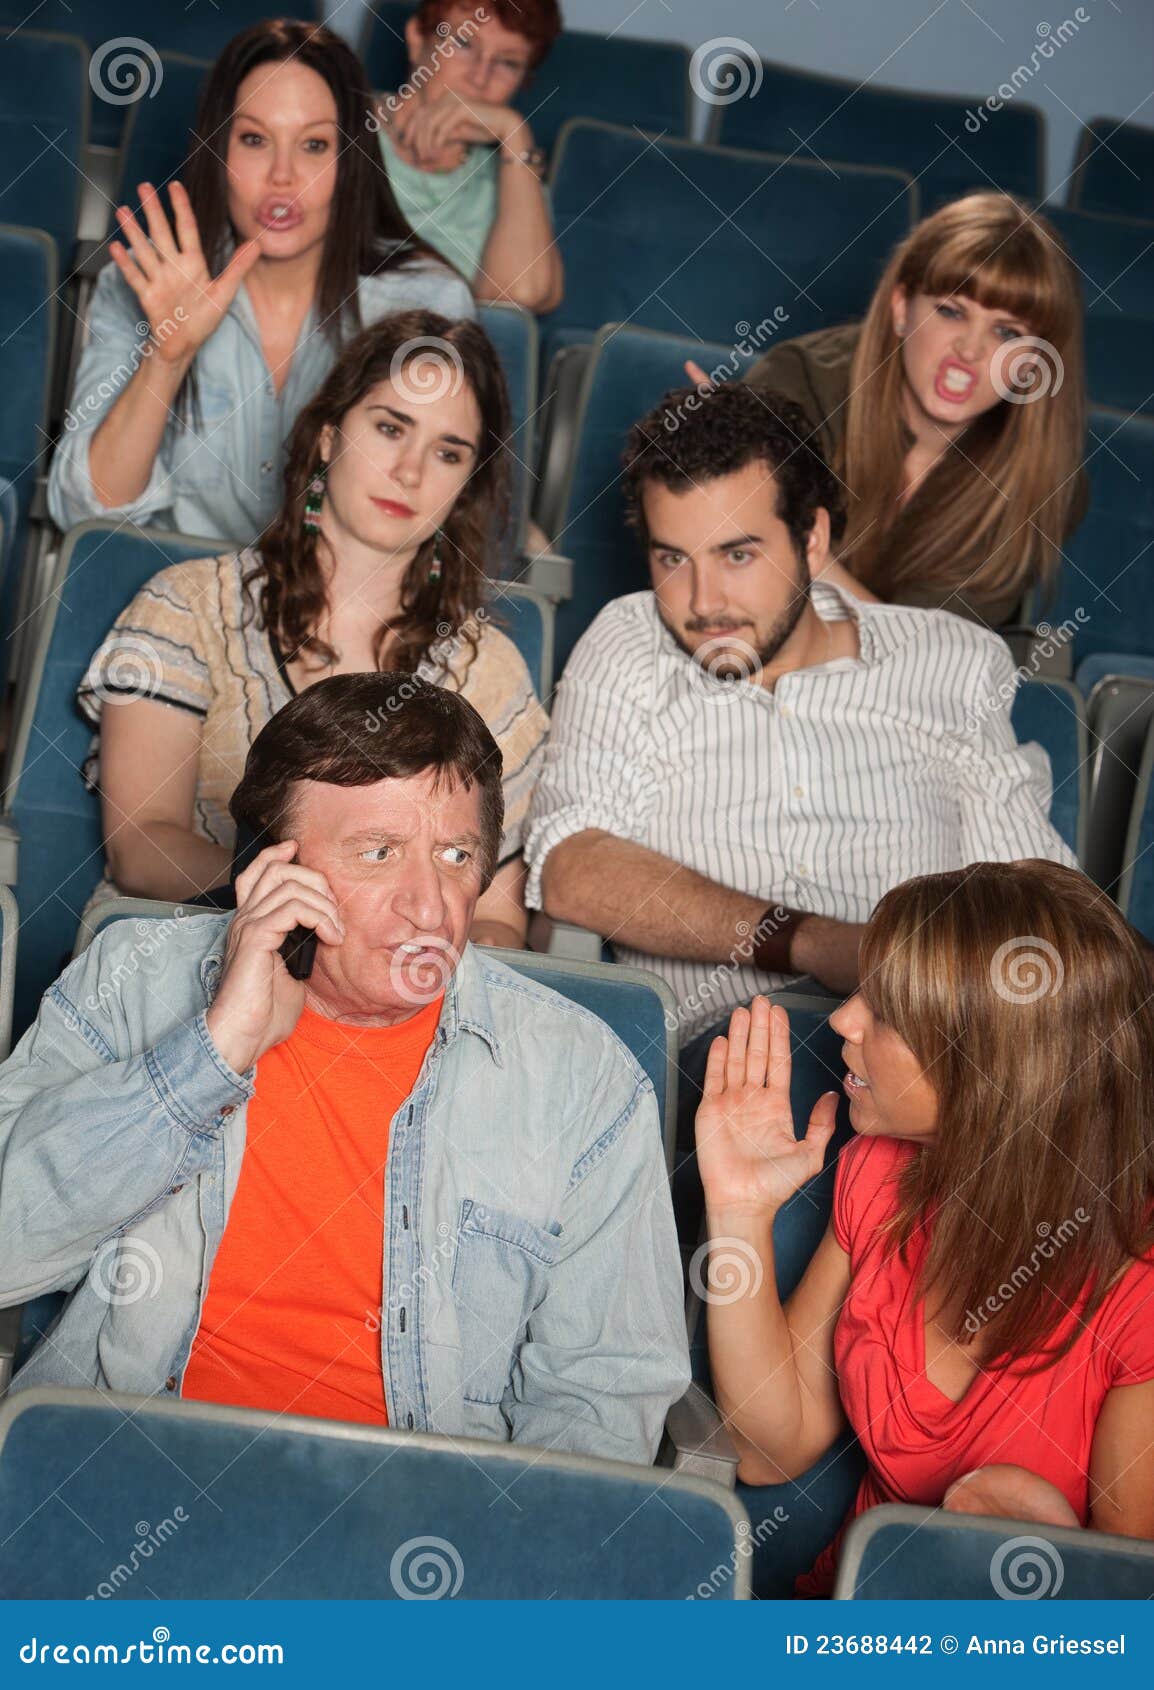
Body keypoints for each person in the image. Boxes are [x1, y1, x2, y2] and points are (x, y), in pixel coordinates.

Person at [0, 674, 689, 1460]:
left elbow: (603, 1396)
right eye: (378, 853)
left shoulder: (583, 1077)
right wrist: (211, 1054)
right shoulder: (133, 979)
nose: (428, 905)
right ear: (272, 865)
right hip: (126, 1465)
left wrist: (487, 1532)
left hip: (423, 1510)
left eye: (456, 855)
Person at [523, 383, 1079, 1243]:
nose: (702, 602)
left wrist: (933, 986)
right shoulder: (631, 643)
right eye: (672, 558)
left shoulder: (949, 662)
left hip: (941, 1048)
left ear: (813, 538)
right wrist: (811, 940)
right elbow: (572, 866)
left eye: (738, 554)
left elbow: (1039, 906)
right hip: (735, 1055)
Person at [697, 861, 1154, 1596]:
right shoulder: (879, 1171)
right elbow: (770, 1449)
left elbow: (1125, 1612)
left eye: (888, 1011)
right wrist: (739, 1210)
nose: (842, 1019)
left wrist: (1052, 1560)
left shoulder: (1140, 1289)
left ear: (997, 1070)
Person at [78, 310, 547, 949]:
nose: (410, 471)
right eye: (390, 428)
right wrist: (316, 909)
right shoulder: (186, 605)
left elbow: (496, 920)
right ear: (329, 437)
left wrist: (383, 950)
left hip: (399, 990)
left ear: (467, 485)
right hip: (181, 954)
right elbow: (141, 846)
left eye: (447, 453)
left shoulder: (488, 669)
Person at [49, 19, 473, 544]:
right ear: (219, 151)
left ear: (350, 162)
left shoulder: (428, 302)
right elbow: (84, 513)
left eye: (314, 145)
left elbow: (435, 521)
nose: (282, 175)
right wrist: (168, 356)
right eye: (254, 139)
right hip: (170, 586)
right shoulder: (141, 284)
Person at [686, 193, 1086, 627]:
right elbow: (727, 586)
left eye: (1007, 333)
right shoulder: (801, 382)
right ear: (901, 308)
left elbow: (928, 656)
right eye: (951, 311)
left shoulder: (1045, 484)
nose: (970, 349)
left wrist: (788, 540)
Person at [375, 0, 564, 312]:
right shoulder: (336, 125)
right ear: (418, 39)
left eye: (508, 63)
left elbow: (519, 296)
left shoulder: (514, 174)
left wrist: (514, 132)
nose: (479, 77)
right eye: (463, 43)